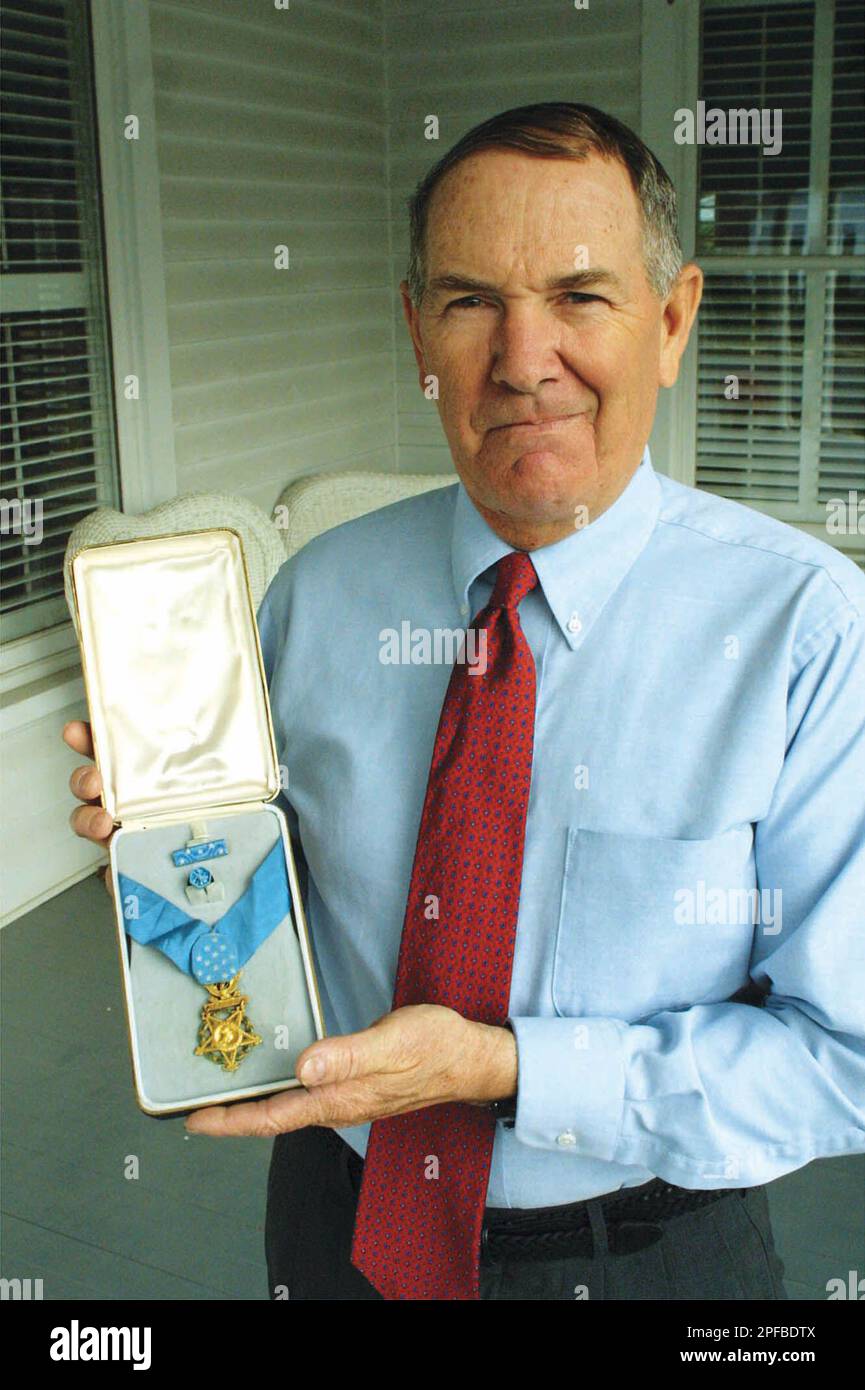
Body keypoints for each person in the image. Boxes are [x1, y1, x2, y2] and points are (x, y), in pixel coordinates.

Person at [65, 102, 865, 1302]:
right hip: (335, 1220)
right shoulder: (314, 597)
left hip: (648, 1255)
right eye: (469, 299)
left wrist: (504, 1069)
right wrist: (172, 843)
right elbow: (252, 886)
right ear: (415, 329)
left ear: (672, 319)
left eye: (580, 296)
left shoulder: (808, 631)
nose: (521, 358)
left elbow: (842, 1060)